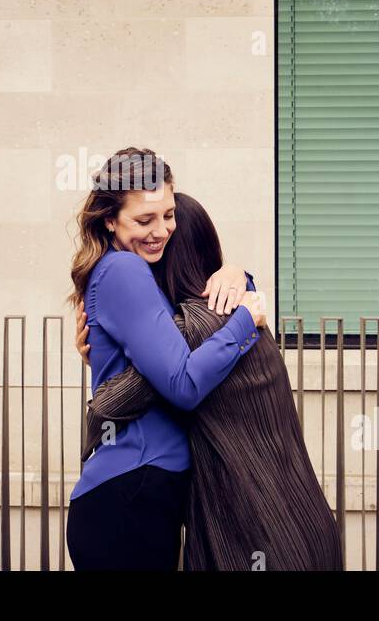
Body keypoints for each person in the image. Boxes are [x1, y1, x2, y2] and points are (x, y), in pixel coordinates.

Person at [78, 192, 343, 571]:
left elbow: (110, 403)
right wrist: (242, 277)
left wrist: (104, 352)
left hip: (259, 532)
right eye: (145, 221)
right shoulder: (238, 314)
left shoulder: (197, 327)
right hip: (302, 521)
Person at [64, 147, 266, 570]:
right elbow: (184, 385)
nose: (161, 230)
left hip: (137, 493)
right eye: (144, 220)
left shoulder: (134, 267)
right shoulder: (125, 271)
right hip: (129, 493)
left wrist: (238, 273)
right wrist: (247, 318)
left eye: (168, 214)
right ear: (109, 219)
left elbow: (191, 306)